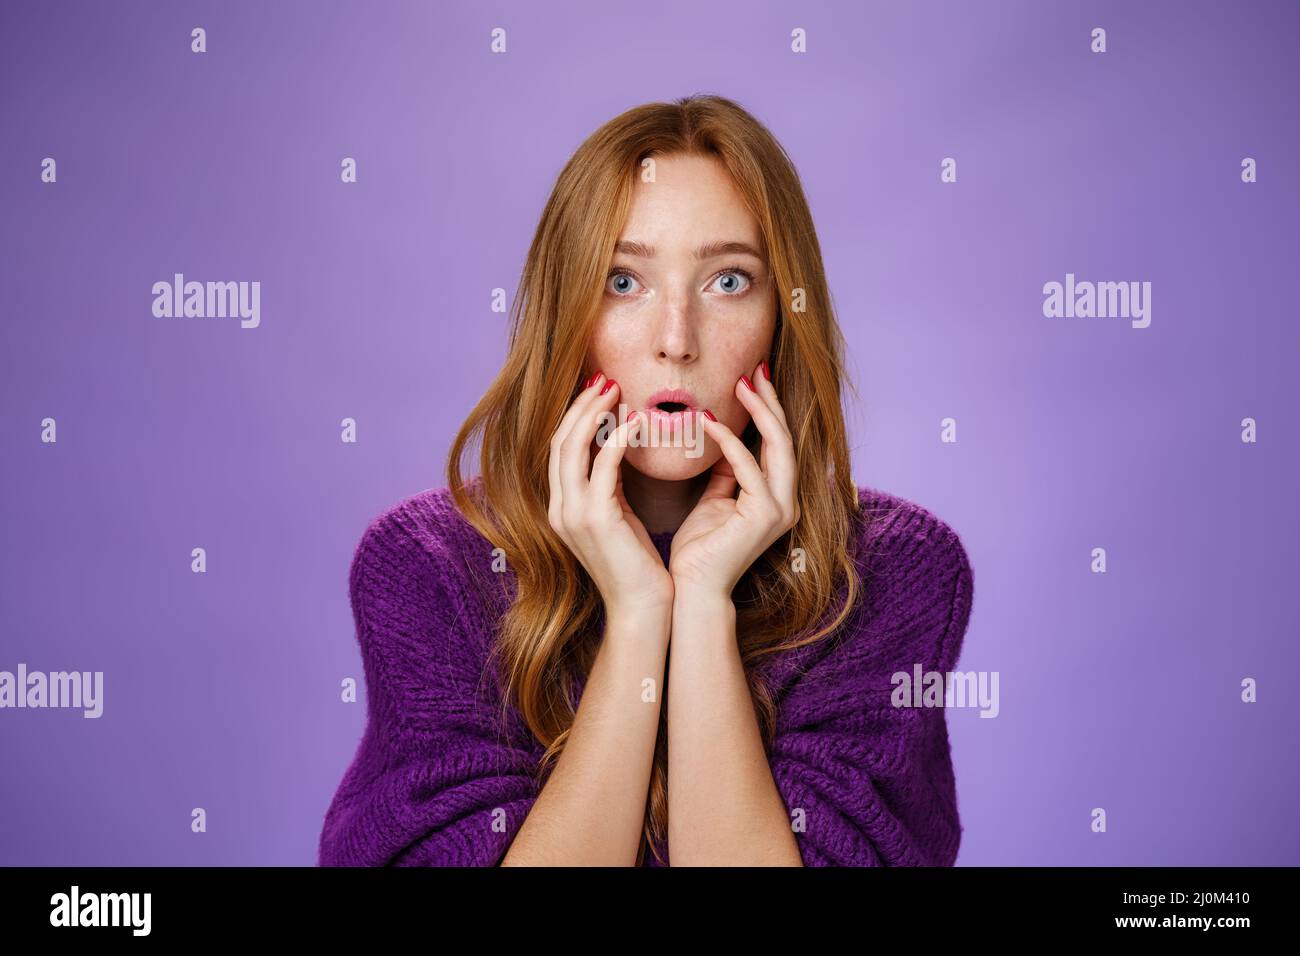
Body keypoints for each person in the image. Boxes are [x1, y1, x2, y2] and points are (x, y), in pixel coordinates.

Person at [318, 94, 974, 867]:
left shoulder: (894, 572)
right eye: (623, 282)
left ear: (784, 315)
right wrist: (636, 612)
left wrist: (701, 606)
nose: (676, 341)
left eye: (728, 281)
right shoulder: (427, 565)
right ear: (568, 314)